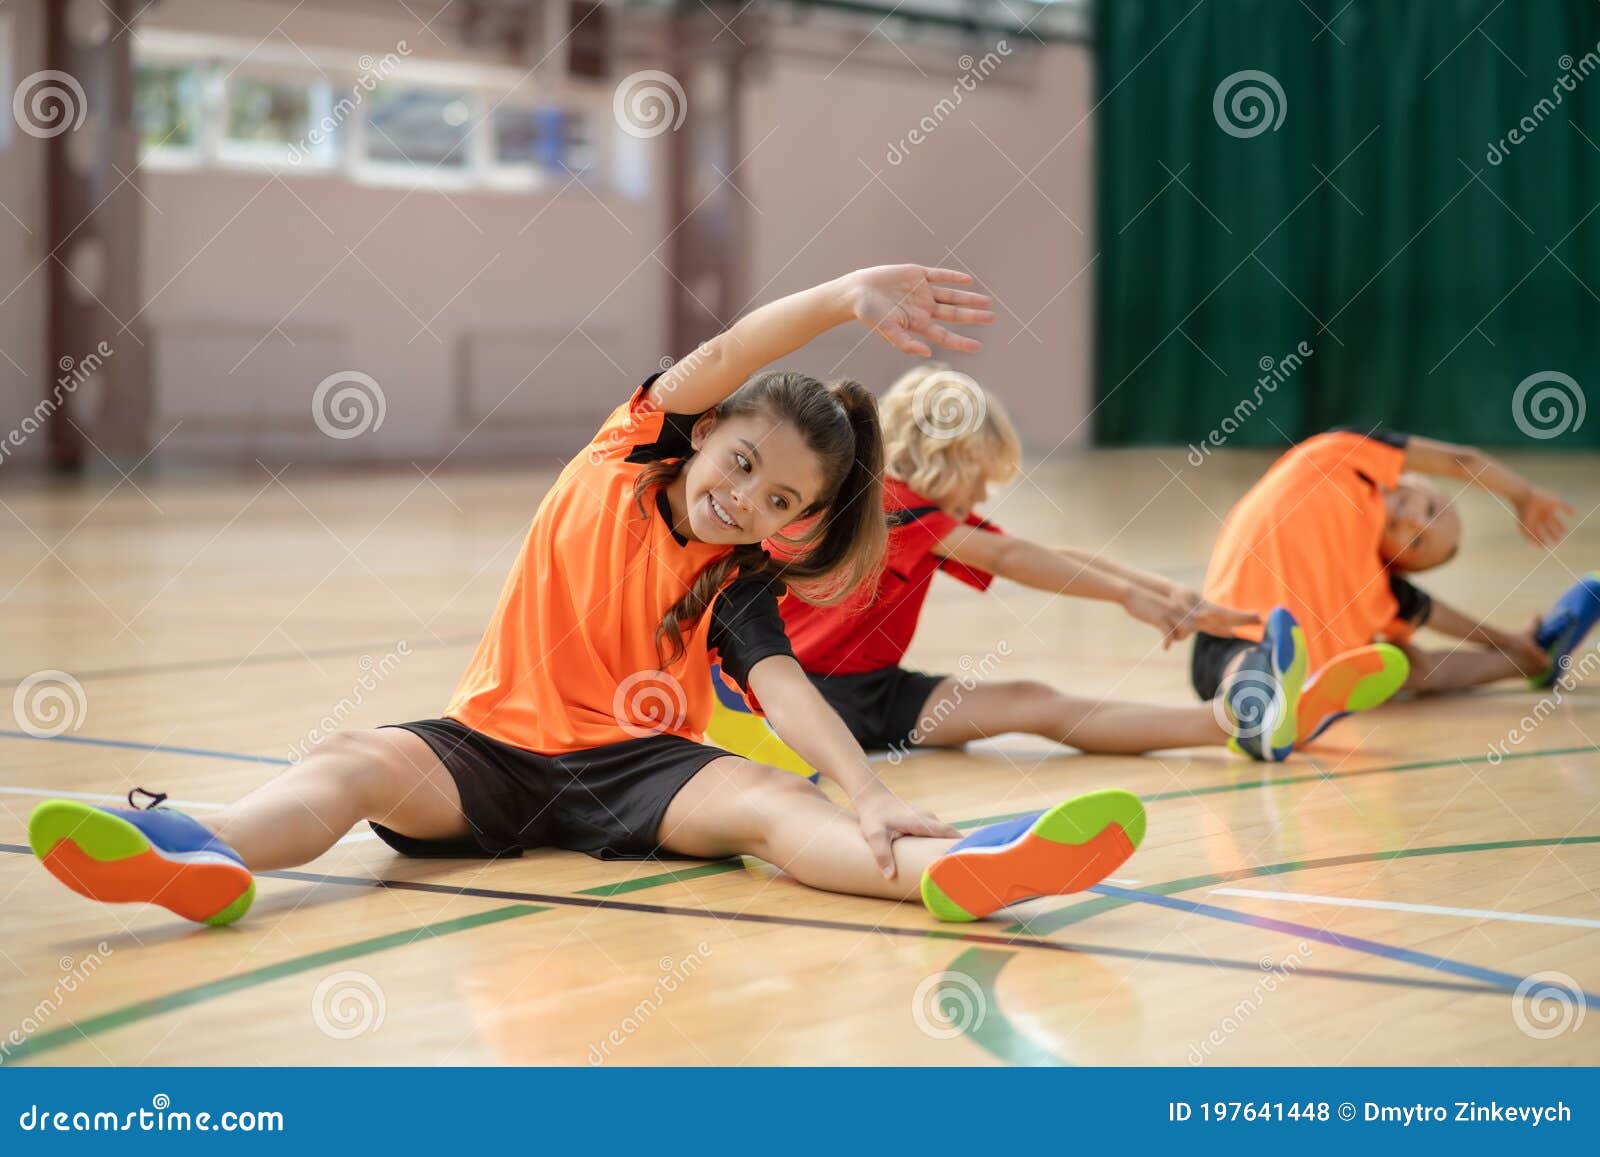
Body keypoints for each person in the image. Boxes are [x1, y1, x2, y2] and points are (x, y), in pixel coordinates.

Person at [28, 265, 1144, 929]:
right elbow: (726, 346)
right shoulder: (626, 449)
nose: (746, 501)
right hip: (491, 752)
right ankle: (202, 847)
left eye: (781, 501)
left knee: (767, 803)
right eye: (742, 466)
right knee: (350, 757)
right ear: (701, 431)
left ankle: (955, 871)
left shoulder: (737, 571)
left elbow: (778, 679)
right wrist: (842, 296)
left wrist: (862, 786)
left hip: (642, 769)